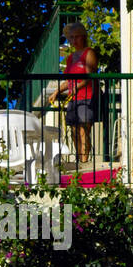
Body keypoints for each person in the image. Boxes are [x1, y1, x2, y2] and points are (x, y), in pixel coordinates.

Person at [52, 22, 98, 163]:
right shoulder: (70, 58)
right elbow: (68, 81)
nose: (73, 40)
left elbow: (89, 76)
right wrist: (56, 92)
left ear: (82, 37)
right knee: (74, 132)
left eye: (75, 37)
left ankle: (84, 161)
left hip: (87, 96)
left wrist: (78, 87)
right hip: (73, 98)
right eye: (70, 37)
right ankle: (79, 159)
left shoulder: (89, 53)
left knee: (84, 130)